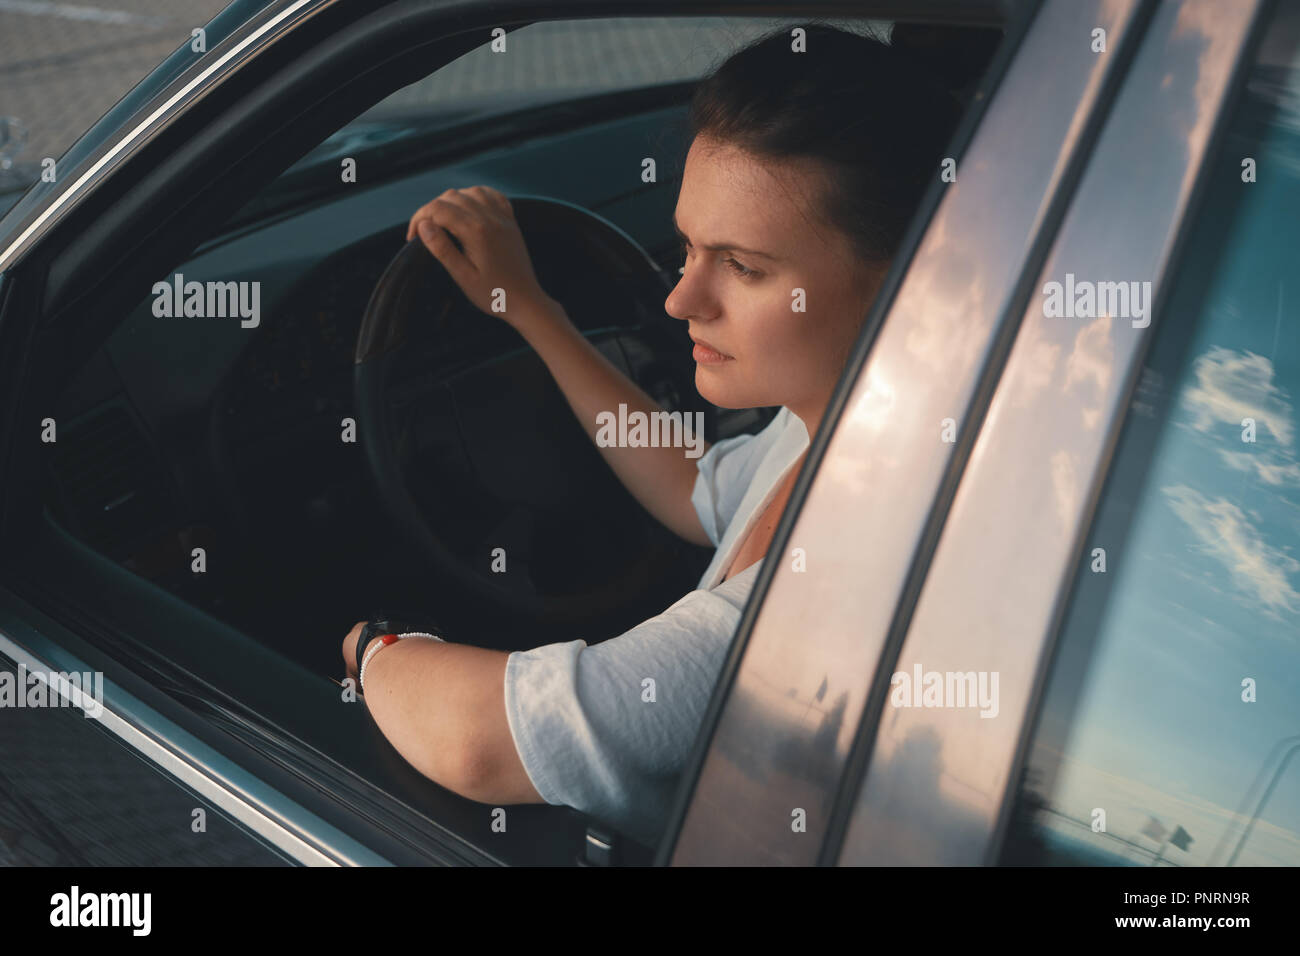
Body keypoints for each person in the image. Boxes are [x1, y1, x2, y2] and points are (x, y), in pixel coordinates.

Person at [341, 23, 961, 848]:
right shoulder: (846, 425)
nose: (680, 300)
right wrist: (530, 309)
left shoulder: (818, 603)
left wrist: (370, 642)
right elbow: (697, 490)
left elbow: (483, 741)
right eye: (688, 249)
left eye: (743, 268)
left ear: (907, 278)